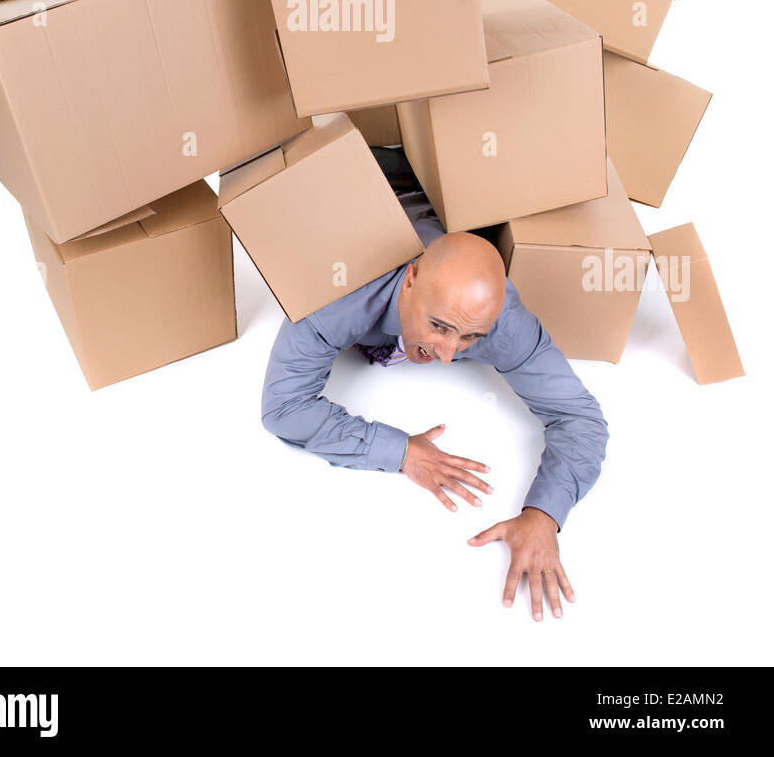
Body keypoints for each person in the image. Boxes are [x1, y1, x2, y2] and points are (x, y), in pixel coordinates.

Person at [261, 147, 609, 622]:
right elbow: (283, 407)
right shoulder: (337, 295)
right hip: (362, 170)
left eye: (469, 338)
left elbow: (579, 415)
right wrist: (400, 450)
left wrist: (545, 515)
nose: (447, 356)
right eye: (440, 326)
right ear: (409, 283)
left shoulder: (501, 319)